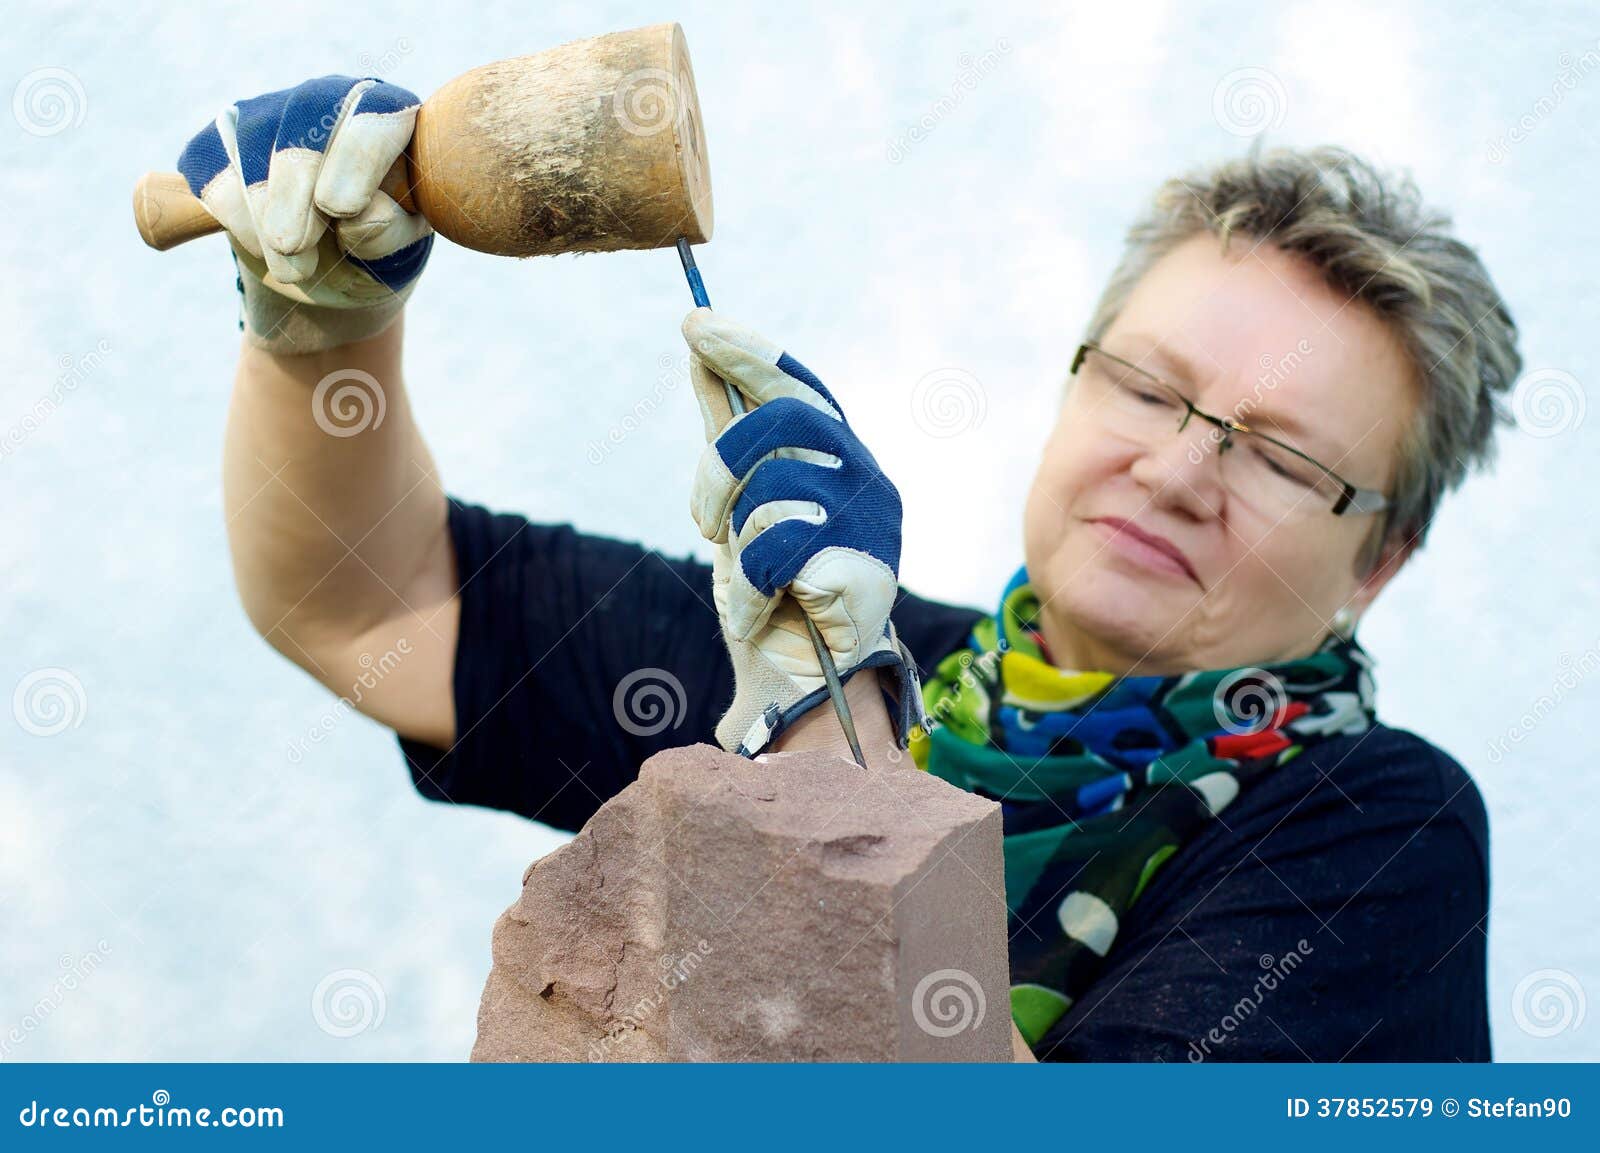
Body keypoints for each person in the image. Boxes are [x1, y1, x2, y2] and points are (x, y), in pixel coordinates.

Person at [183, 75, 1520, 1061]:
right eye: (1146, 386)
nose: (1176, 469)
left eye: (1279, 456)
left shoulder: (1381, 831)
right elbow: (365, 602)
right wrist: (318, 329)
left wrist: (825, 728)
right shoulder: (871, 656)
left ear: (1382, 558)